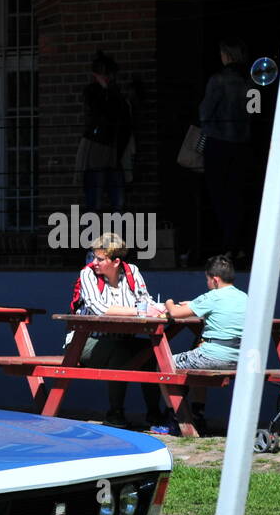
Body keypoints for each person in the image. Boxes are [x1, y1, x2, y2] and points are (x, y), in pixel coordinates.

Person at [72, 233, 169, 431]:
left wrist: (157, 308)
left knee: (150, 350)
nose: (95, 262)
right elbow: (99, 308)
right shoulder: (87, 274)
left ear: (116, 261)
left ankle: (154, 413)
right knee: (120, 351)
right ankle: (115, 412)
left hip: (121, 338)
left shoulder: (132, 272)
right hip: (84, 342)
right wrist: (140, 311)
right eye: (94, 257)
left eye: (100, 259)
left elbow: (145, 299)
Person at [200, 38, 253, 261]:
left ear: (226, 55)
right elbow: (255, 112)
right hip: (242, 145)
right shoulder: (249, 82)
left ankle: (228, 244)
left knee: (219, 196)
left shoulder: (217, 80)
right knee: (238, 195)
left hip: (219, 145)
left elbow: (204, 113)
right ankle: (239, 244)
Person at [164, 255, 247, 370]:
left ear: (215, 280)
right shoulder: (244, 297)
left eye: (207, 279)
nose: (207, 283)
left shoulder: (212, 296)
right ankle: (193, 389)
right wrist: (194, 305)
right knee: (195, 373)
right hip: (239, 359)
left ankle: (173, 389)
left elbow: (174, 312)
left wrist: (168, 302)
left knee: (164, 364)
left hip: (212, 356)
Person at [76, 50, 131, 213]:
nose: (109, 78)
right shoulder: (92, 92)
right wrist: (107, 89)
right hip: (97, 148)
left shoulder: (115, 94)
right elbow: (102, 113)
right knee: (95, 203)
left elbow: (121, 115)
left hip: (113, 151)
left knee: (118, 202)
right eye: (106, 74)